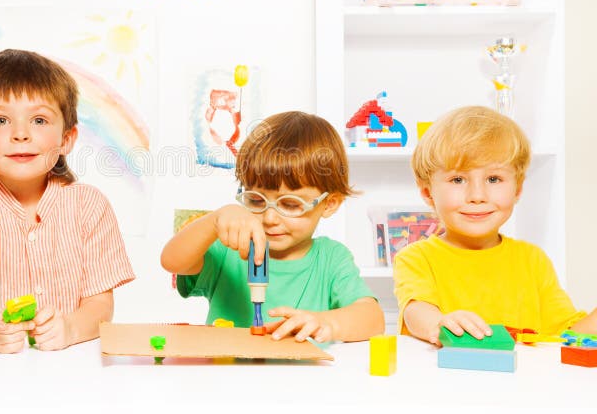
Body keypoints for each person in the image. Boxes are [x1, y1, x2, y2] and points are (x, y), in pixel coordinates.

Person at [0, 49, 135, 353]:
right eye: (0, 120)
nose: (20, 134)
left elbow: (100, 305)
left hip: (69, 363)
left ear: (67, 138)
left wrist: (71, 329)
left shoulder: (91, 206)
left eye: (38, 119)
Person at [161, 111, 384, 343]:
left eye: (290, 204)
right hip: (226, 376)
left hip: (304, 379)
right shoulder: (229, 248)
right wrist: (214, 221)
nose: (269, 218)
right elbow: (172, 261)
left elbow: (372, 318)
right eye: (256, 200)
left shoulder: (331, 259)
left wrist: (327, 322)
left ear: (329, 204)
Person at [394, 105, 597, 345]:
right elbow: (417, 312)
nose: (477, 195)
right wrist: (439, 324)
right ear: (428, 194)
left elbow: (568, 336)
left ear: (517, 189)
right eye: (458, 179)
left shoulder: (532, 260)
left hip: (524, 382)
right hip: (447, 381)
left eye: (494, 179)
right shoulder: (416, 258)